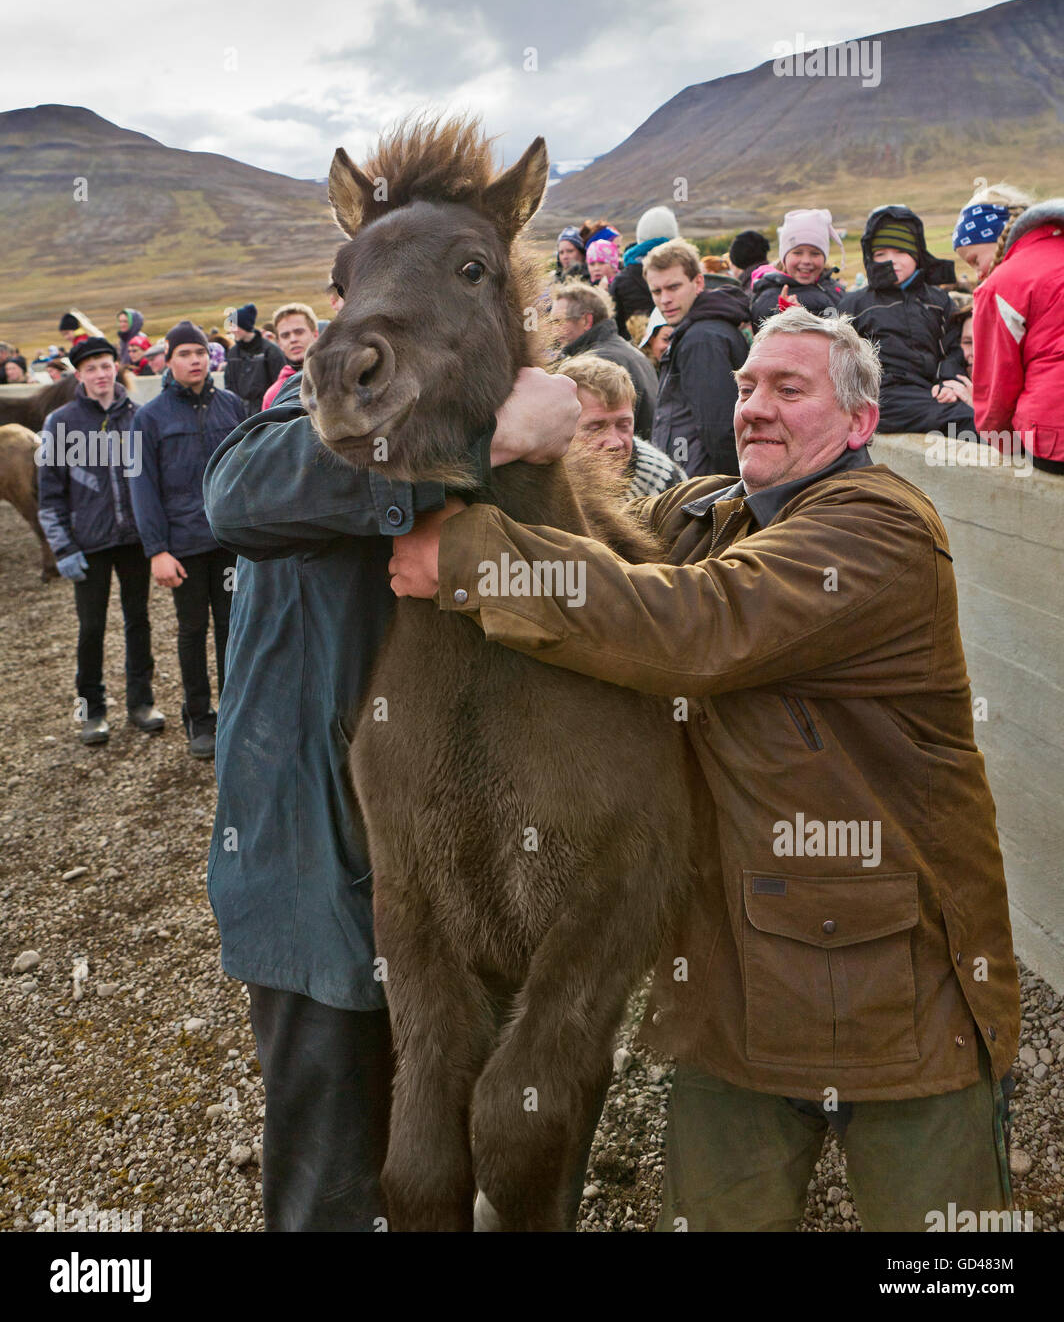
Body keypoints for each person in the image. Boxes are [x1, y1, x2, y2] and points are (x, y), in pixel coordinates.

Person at [390, 305, 1021, 1234]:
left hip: (899, 996)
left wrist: (472, 557)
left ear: (858, 423)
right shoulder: (713, 510)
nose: (755, 407)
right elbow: (592, 535)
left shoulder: (877, 532)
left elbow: (697, 624)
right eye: (745, 387)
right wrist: (493, 432)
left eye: (788, 389)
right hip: (732, 994)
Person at [201, 365, 581, 1231]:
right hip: (323, 877)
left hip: (460, 885)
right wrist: (486, 441)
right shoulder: (308, 418)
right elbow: (234, 493)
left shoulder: (497, 400)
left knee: (454, 1164)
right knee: (334, 1182)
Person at [36, 337, 164, 745]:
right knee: (91, 627)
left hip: (132, 541)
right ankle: (91, 710)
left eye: (106, 365)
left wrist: (157, 536)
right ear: (80, 375)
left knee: (138, 620)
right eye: (91, 368)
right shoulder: (61, 423)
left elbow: (154, 482)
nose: (100, 374)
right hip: (87, 543)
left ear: (116, 367)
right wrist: (63, 547)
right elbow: (49, 493)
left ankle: (141, 702)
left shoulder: (140, 416)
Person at [131, 322, 244, 758]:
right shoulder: (150, 417)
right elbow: (142, 487)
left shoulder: (233, 406)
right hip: (184, 546)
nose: (195, 360)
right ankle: (200, 719)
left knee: (236, 630)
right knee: (193, 631)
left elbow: (247, 472)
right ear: (169, 360)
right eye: (185, 354)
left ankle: (238, 714)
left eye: (200, 352)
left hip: (231, 543)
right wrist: (157, 549)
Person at [841, 205, 974, 434]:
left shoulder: (938, 299)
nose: (891, 261)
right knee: (971, 422)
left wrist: (948, 383)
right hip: (882, 399)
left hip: (930, 394)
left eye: (900, 252)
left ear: (917, 255)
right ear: (870, 258)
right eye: (881, 254)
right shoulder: (854, 304)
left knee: (980, 417)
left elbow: (952, 349)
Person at [961, 194, 1064, 473]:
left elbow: (997, 383)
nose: (978, 273)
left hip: (1055, 438)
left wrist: (1003, 442)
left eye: (974, 259)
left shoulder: (1004, 282)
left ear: (998, 239)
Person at [645, 237, 750, 478]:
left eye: (673, 287)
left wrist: (728, 491)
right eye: (656, 291)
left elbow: (720, 430)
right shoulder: (697, 331)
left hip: (701, 488)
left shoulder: (702, 339)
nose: (665, 300)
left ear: (698, 282)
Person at [559, 353, 686, 500]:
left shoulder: (664, 482)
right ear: (560, 426)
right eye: (595, 428)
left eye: (624, 425)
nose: (614, 442)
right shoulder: (536, 477)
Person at [551, 281, 658, 439]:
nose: (553, 331)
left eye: (559, 322)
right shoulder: (628, 352)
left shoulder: (596, 364)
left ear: (586, 321)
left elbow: (606, 430)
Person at [750, 209, 846, 330]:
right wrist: (787, 316)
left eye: (815, 253)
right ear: (784, 258)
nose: (806, 260)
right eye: (798, 253)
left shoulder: (833, 288)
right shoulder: (770, 298)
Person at [611, 205, 679, 343]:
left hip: (633, 354)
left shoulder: (621, 280)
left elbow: (613, 328)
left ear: (639, 237)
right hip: (678, 347)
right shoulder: (685, 272)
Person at [223, 303, 286, 418]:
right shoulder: (233, 352)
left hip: (266, 414)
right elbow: (229, 384)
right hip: (239, 414)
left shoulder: (271, 351)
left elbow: (281, 385)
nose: (231, 330)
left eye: (234, 326)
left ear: (244, 326)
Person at [261, 303, 319, 411]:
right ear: (279, 343)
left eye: (299, 332)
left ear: (315, 334)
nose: (293, 339)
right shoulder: (273, 394)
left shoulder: (337, 378)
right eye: (285, 335)